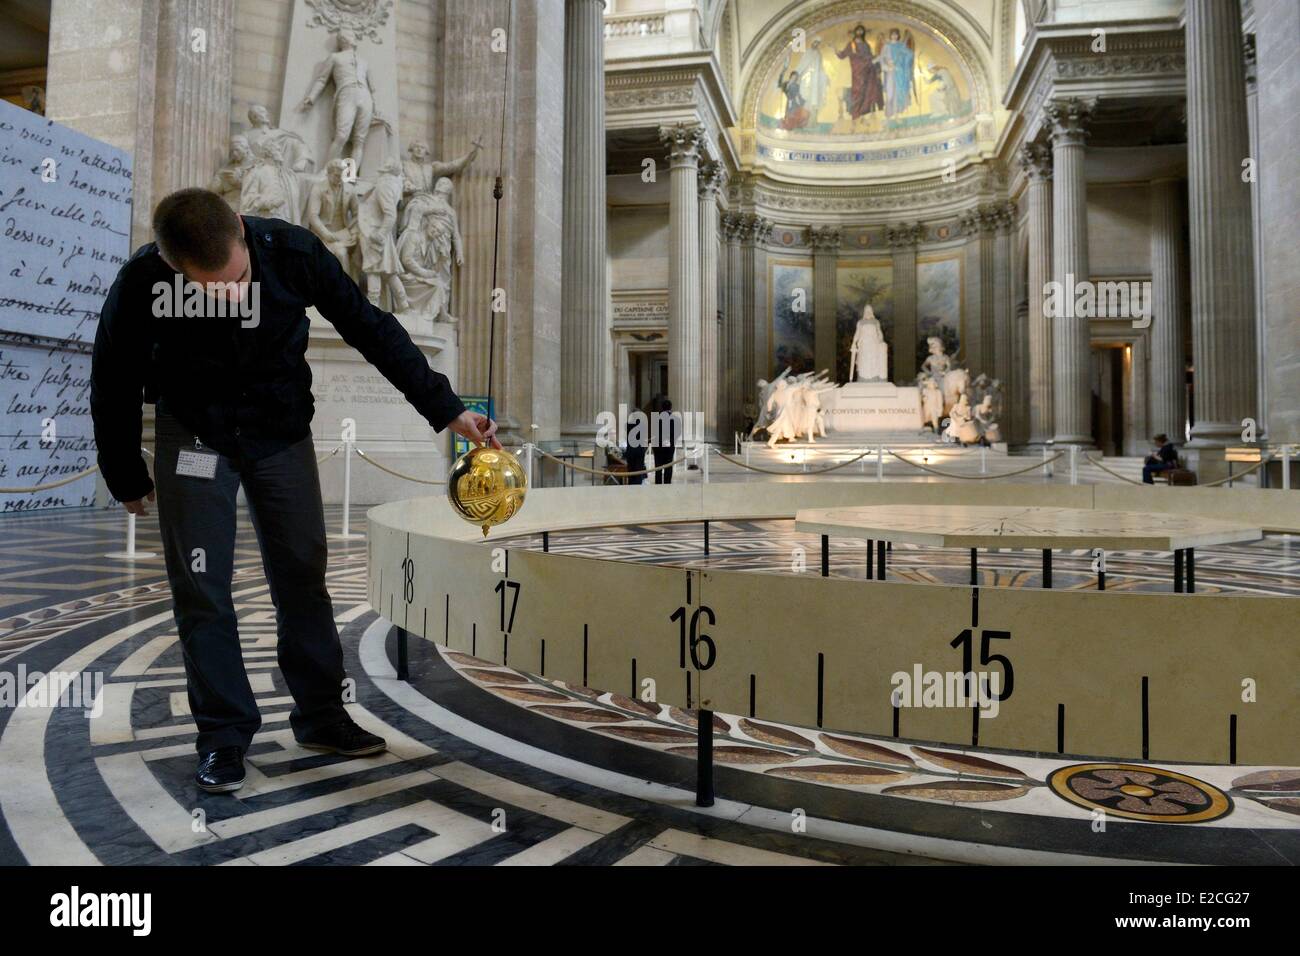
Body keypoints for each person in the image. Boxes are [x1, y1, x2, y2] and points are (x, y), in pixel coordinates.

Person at [90, 188, 500, 794]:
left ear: (241, 228)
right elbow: (112, 374)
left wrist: (446, 410)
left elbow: (371, 328)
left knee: (303, 571)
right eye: (211, 289)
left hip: (280, 434)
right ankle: (224, 737)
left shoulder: (293, 250)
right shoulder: (143, 278)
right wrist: (124, 472)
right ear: (174, 269)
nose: (230, 297)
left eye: (236, 280)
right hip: (197, 438)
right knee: (202, 587)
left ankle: (322, 715)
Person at [650, 395, 679, 485]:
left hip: (658, 446)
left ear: (662, 408)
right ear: (671, 407)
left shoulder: (656, 418)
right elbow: (677, 433)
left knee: (658, 467)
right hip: (669, 446)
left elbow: (653, 432)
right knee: (668, 467)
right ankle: (667, 484)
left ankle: (658, 485)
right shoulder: (676, 419)